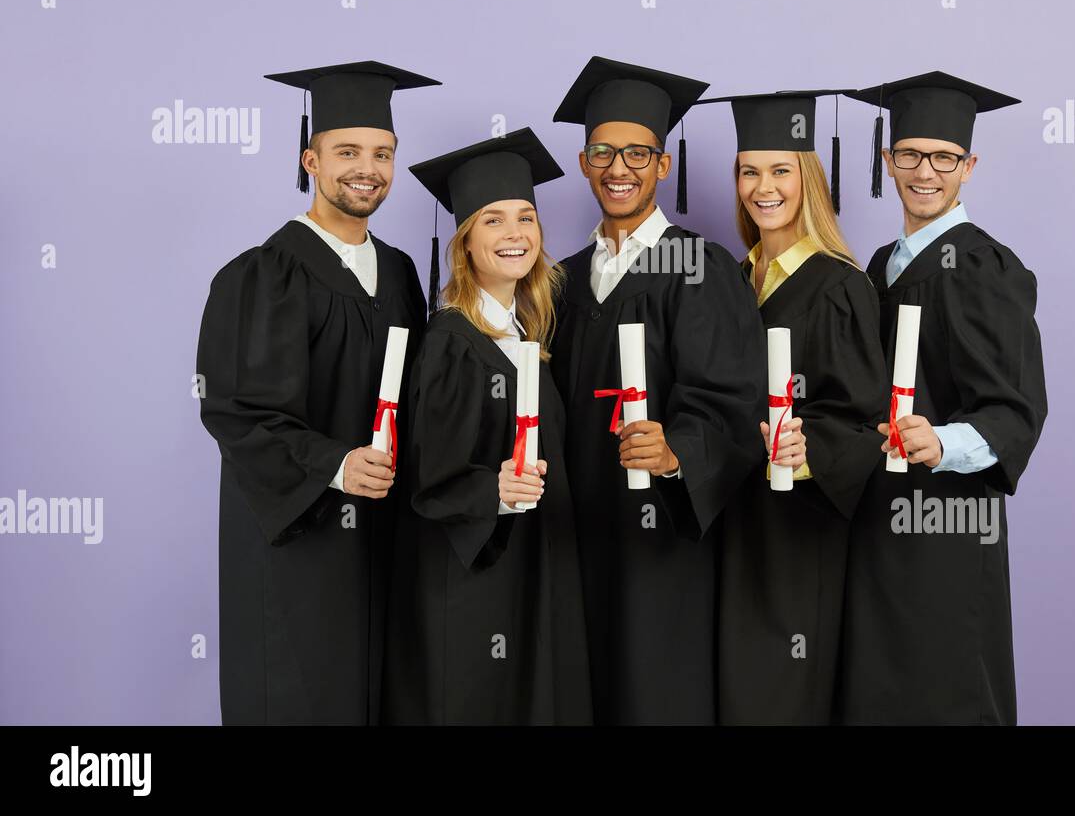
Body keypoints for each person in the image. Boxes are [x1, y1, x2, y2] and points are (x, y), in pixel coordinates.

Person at [196, 60, 436, 724]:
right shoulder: (263, 274)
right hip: (301, 549)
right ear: (311, 158)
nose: (368, 169)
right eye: (348, 152)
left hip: (383, 544)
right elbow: (237, 413)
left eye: (382, 153)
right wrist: (334, 463)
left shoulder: (399, 272)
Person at [548, 56, 767, 725]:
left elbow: (731, 397)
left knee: (653, 693)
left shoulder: (699, 267)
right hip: (573, 534)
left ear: (663, 166)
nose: (620, 167)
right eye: (604, 152)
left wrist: (677, 451)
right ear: (585, 162)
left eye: (638, 152)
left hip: (661, 537)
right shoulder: (562, 278)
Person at [839, 71, 1049, 725]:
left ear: (969, 166)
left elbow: (1016, 406)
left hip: (949, 528)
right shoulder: (876, 267)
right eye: (909, 155)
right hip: (875, 526)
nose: (924, 171)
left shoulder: (985, 265)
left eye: (943, 158)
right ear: (887, 160)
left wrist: (943, 441)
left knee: (945, 691)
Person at [383, 128, 591, 725]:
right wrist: (492, 490)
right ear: (465, 242)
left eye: (526, 217)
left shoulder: (525, 335)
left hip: (528, 571)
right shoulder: (453, 342)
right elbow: (429, 480)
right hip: (474, 584)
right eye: (493, 220)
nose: (515, 234)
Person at [697, 90, 890, 724]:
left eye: (781, 170)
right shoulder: (730, 277)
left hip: (794, 532)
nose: (763, 187)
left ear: (809, 177)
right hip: (726, 521)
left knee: (776, 696)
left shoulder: (840, 286)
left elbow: (864, 418)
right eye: (748, 171)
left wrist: (811, 448)